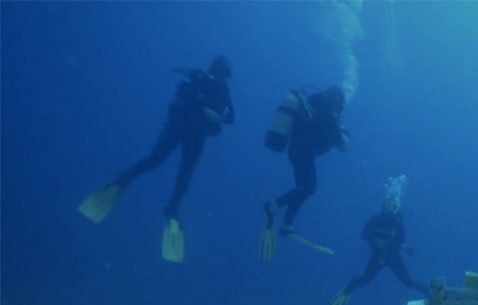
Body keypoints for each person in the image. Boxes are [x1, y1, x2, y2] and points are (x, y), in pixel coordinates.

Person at [78, 56, 235, 263]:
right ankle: (134, 190)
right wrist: (204, 107)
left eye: (223, 73)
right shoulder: (199, 78)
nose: (221, 75)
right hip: (182, 129)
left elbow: (231, 117)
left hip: (189, 132)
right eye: (221, 71)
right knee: (164, 165)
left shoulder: (219, 87)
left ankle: (164, 205)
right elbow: (184, 95)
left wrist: (220, 116)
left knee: (172, 169)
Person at [260, 85, 348, 261]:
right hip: (303, 151)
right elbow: (338, 138)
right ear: (337, 100)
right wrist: (341, 135)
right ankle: (274, 208)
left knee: (304, 187)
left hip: (298, 151)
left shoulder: (316, 102)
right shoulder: (323, 105)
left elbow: (327, 131)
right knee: (308, 187)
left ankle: (286, 224)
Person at [329, 196, 428, 305]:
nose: (390, 207)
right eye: (388, 204)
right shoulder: (376, 219)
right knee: (363, 281)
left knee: (409, 282)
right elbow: (364, 235)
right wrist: (376, 240)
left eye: (393, 205)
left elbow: (402, 240)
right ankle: (346, 291)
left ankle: (429, 293)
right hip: (378, 256)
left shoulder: (398, 221)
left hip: (393, 257)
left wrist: (398, 245)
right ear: (384, 205)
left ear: (396, 207)